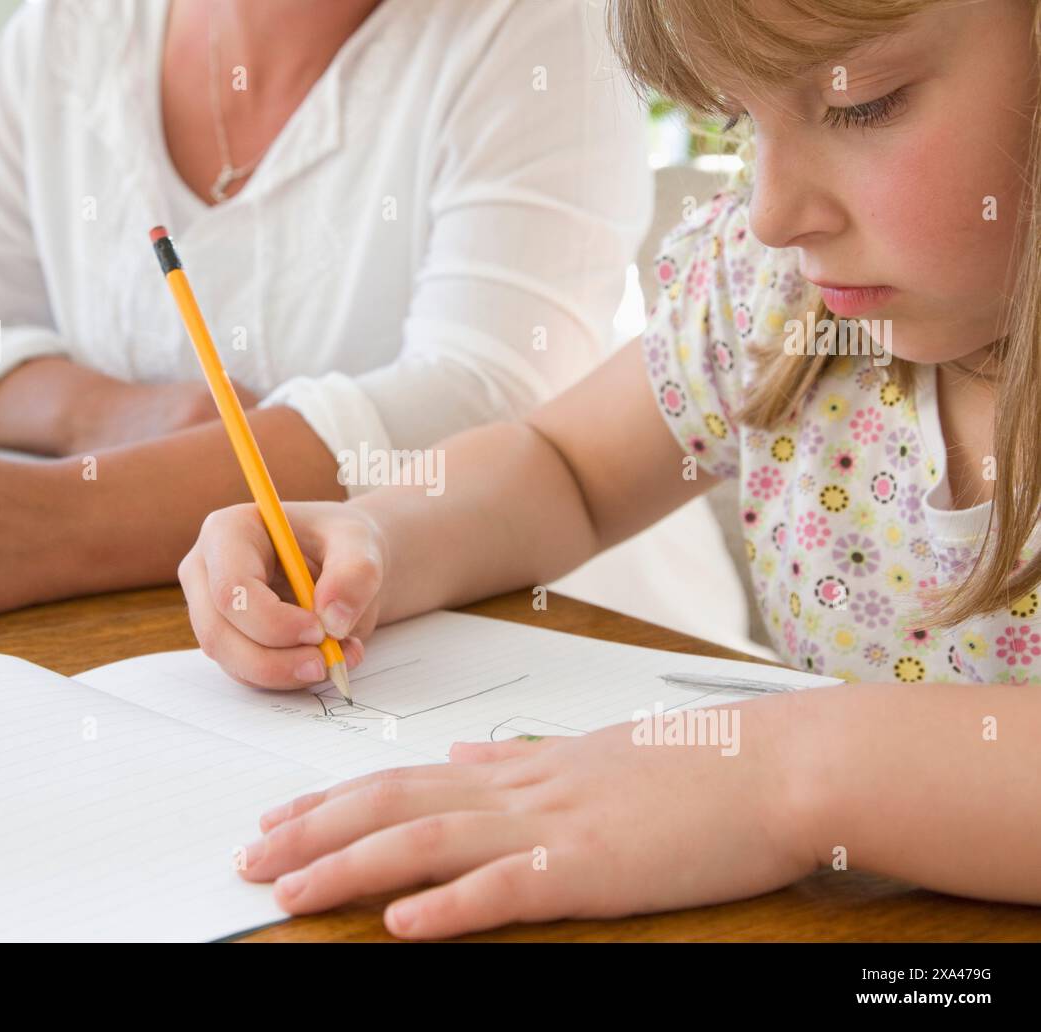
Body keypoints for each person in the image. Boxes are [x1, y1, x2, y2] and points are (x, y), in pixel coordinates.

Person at [178, 0, 1041, 939]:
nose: (771, 213)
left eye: (860, 104)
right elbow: (564, 473)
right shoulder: (774, 299)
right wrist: (378, 534)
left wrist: (779, 778)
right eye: (740, 120)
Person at [0, 0, 658, 629]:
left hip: (525, 632)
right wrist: (117, 414)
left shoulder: (546, 31)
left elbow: (482, 405)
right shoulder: (71, 32)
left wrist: (45, 523)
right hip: (170, 633)